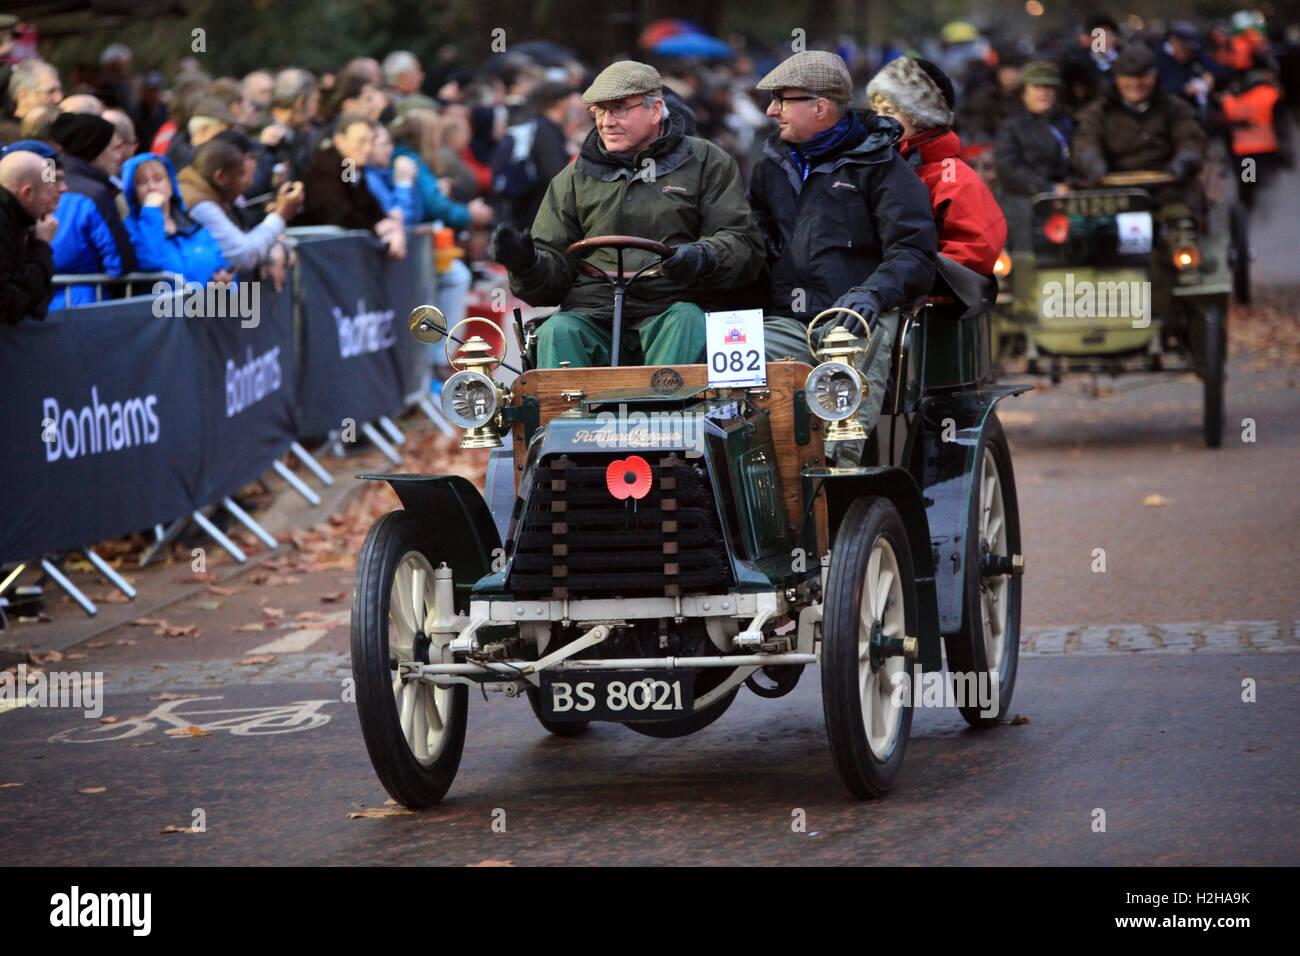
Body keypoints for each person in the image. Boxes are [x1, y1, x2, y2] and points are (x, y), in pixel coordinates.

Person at [491, 60, 764, 368]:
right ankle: (565, 417)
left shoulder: (706, 162)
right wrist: (527, 264)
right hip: (595, 313)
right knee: (557, 330)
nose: (607, 121)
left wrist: (701, 256)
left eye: (619, 108)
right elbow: (551, 280)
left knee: (686, 319)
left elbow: (743, 245)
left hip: (674, 306)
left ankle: (670, 412)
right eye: (599, 110)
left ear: (656, 110)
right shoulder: (573, 178)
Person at [747, 51, 937, 446]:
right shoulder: (770, 164)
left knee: (851, 343)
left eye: (781, 101)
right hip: (788, 319)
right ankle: (747, 475)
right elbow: (753, 237)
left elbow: (913, 252)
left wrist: (871, 293)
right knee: (731, 352)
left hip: (855, 317)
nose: (770, 111)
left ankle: (838, 473)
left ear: (820, 108)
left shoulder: (883, 166)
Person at [866, 56, 1007, 275]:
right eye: (877, 111)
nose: (878, 120)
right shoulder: (875, 167)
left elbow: (977, 247)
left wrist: (915, 284)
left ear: (918, 117)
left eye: (889, 111)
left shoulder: (954, 178)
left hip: (925, 304)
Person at [1071, 43, 1206, 209]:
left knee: (1183, 216)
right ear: (1117, 79)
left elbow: (1190, 139)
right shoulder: (1098, 112)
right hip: (1112, 190)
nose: (1136, 83)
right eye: (1128, 77)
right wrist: (1093, 164)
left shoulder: (1175, 108)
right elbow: (1085, 143)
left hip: (1167, 186)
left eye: (1142, 76)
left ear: (1154, 77)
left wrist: (1182, 162)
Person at [178, 133, 303, 286]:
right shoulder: (200, 203)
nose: (248, 184)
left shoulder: (204, 191)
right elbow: (244, 254)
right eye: (240, 175)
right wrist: (280, 215)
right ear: (220, 176)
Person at [298, 113, 406, 259]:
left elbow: (365, 204)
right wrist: (376, 227)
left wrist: (386, 222)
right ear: (339, 140)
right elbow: (339, 215)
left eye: (371, 141)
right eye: (361, 141)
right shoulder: (326, 168)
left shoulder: (349, 166)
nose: (367, 149)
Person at [995, 60, 1073, 251]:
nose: (1044, 92)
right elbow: (1007, 168)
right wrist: (1049, 189)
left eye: (1049, 87)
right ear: (1024, 92)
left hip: (1069, 196)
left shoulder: (1067, 122)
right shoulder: (1012, 127)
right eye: (1037, 87)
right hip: (1026, 199)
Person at [121, 152, 230, 286]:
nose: (152, 187)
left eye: (158, 179)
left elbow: (221, 265)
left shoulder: (192, 225)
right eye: (142, 182)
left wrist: (226, 281)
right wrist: (151, 211)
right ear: (133, 192)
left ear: (170, 185)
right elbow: (151, 262)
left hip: (205, 306)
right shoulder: (130, 229)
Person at [490, 80, 580, 229]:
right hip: (537, 216)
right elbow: (556, 177)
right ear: (562, 103)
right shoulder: (546, 133)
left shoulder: (538, 127)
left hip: (529, 213)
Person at [0, 144, 61, 322]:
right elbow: (14, 303)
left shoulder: (16, 221)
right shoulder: (5, 224)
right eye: (49, 190)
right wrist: (42, 246)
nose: (53, 197)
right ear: (27, 193)